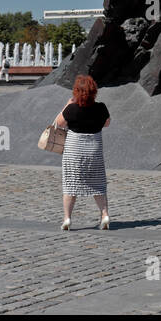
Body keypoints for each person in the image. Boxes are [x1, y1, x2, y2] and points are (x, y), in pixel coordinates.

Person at [56, 74, 111, 231]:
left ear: (76, 91)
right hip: (93, 150)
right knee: (98, 184)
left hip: (74, 151)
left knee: (70, 185)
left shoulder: (72, 109)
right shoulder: (101, 108)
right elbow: (107, 123)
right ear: (94, 91)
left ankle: (67, 218)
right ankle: (105, 214)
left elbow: (59, 123)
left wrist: (67, 105)